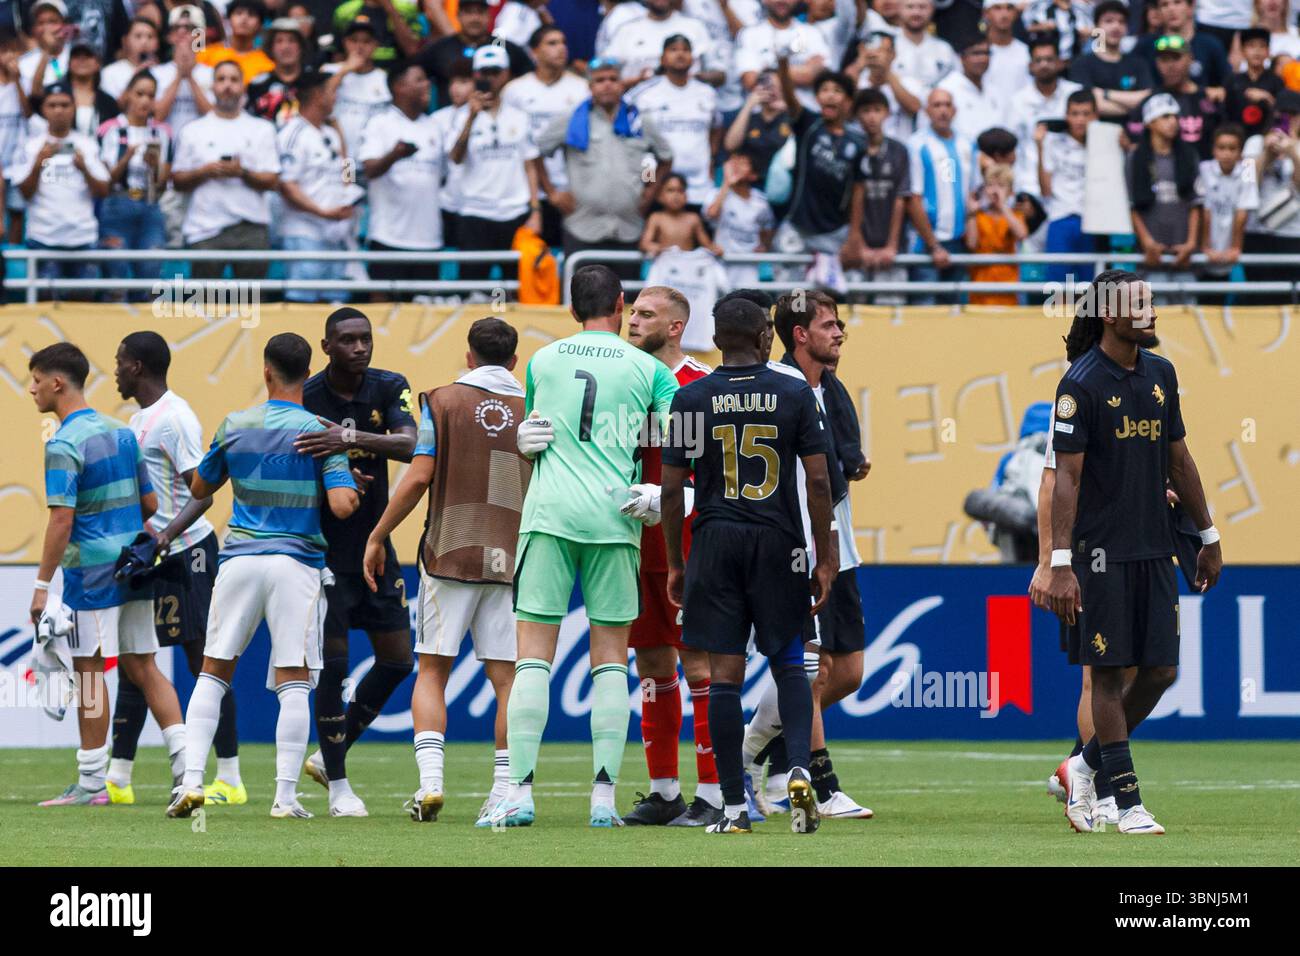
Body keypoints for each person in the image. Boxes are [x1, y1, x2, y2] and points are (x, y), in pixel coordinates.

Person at [490, 264, 680, 829]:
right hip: (614, 517)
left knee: (531, 660)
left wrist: (521, 444)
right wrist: (657, 492)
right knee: (608, 665)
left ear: (571, 309)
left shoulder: (543, 360)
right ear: (620, 305)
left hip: (547, 516)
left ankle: (520, 795)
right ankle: (602, 800)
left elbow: (532, 434)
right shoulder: (649, 369)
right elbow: (675, 449)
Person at [1044, 270, 1222, 835]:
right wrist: (1061, 562)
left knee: (1161, 672)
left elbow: (1179, 459)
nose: (1151, 311)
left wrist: (1208, 534)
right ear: (1109, 315)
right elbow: (1064, 480)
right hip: (1099, 556)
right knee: (1106, 672)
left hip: (1153, 547)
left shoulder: (1161, 374)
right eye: (1139, 304)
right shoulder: (1079, 384)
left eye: (1151, 301)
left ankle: (1083, 765)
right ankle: (1127, 801)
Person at [166, 333, 360, 820]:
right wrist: (347, 485)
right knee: (293, 678)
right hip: (296, 564)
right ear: (308, 370)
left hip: (240, 558)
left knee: (213, 670)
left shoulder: (236, 423)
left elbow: (200, 486)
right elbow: (341, 506)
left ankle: (191, 783)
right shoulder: (322, 430)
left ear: (266, 371)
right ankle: (285, 797)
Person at [661, 296, 835, 835]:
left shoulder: (690, 399)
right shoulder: (793, 392)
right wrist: (824, 558)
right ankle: (800, 770)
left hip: (714, 542)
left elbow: (671, 489)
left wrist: (675, 561)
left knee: (724, 679)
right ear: (765, 337)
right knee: (788, 663)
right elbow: (820, 481)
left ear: (716, 340)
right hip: (777, 542)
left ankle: (734, 809)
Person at [361, 317, 529, 825]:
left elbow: (419, 476)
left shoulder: (438, 399)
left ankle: (431, 784)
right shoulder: (532, 406)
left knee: (433, 669)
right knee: (506, 678)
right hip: (509, 556)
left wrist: (378, 534)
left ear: (469, 356)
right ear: (515, 361)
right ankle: (503, 790)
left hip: (448, 552)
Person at [28, 342, 187, 807]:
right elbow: (152, 504)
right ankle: (186, 770)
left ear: (58, 383)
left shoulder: (62, 443)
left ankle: (93, 782)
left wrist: (41, 586)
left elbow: (61, 519)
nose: (32, 389)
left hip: (92, 575)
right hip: (134, 565)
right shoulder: (122, 433)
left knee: (90, 671)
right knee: (143, 665)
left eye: (36, 379)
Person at [106, 332, 241, 806]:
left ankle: (229, 776)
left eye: (120, 362)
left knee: (202, 659)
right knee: (136, 657)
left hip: (189, 552)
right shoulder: (139, 419)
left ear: (138, 366)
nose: (115, 370)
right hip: (154, 553)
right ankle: (118, 777)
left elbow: (202, 490)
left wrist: (164, 536)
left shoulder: (174, 418)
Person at [296, 308, 417, 817]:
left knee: (397, 659)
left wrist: (347, 442)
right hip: (321, 551)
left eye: (365, 339)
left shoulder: (390, 387)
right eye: (347, 340)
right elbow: (293, 461)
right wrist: (335, 481)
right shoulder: (305, 396)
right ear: (327, 347)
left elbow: (410, 445)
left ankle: (332, 753)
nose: (360, 348)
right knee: (334, 667)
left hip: (375, 546)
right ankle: (340, 786)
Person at [614, 287, 717, 827]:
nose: (633, 321)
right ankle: (664, 791)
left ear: (675, 327)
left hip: (688, 546)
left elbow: (717, 472)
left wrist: (681, 497)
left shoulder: (698, 386)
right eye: (632, 312)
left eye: (646, 315)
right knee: (652, 661)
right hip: (632, 545)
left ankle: (716, 793)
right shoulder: (620, 380)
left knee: (699, 662)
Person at [535, 58, 673, 279]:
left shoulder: (639, 121)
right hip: (582, 226)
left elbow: (662, 158)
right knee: (583, 305)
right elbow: (534, 152)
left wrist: (650, 190)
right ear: (590, 87)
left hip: (628, 227)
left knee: (626, 305)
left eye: (613, 79)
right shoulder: (571, 119)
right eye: (600, 80)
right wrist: (552, 193)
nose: (607, 84)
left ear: (622, 84)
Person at [171, 60, 279, 281]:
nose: (227, 85)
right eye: (221, 79)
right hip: (205, 227)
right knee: (204, 306)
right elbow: (178, 181)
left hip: (251, 226)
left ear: (243, 87)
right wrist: (206, 171)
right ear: (212, 87)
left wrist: (242, 173)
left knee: (253, 306)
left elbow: (272, 180)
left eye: (234, 79)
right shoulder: (193, 130)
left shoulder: (262, 129)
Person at [448, 44, 541, 289]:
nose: (489, 77)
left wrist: (535, 210)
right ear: (475, 76)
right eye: (483, 72)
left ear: (506, 74)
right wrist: (470, 117)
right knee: (471, 289)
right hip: (475, 212)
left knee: (518, 288)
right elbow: (455, 157)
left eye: (495, 71)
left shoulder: (520, 116)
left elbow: (530, 166)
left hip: (513, 212)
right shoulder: (459, 116)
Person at [12, 82, 110, 298]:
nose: (59, 110)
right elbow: (24, 193)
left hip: (82, 237)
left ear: (73, 108)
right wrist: (38, 163)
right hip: (43, 238)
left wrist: (84, 168)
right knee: (46, 307)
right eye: (52, 105)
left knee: (85, 308)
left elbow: (103, 190)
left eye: (65, 105)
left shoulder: (87, 144)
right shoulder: (30, 146)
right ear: (43, 109)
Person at [359, 60, 444, 298]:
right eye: (419, 79)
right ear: (399, 87)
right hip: (388, 236)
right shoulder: (380, 123)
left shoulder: (434, 126)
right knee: (382, 311)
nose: (427, 84)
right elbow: (369, 169)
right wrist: (395, 155)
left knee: (424, 316)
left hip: (429, 239)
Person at [773, 57, 864, 269]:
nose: (830, 94)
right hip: (797, 227)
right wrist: (784, 67)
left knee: (826, 299)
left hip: (834, 231)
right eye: (824, 90)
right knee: (790, 296)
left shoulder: (858, 143)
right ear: (817, 98)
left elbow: (859, 191)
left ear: (849, 102)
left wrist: (854, 236)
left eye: (837, 91)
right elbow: (790, 98)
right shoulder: (809, 124)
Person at [502, 24, 588, 247]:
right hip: (527, 191)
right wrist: (548, 192)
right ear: (534, 52)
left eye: (563, 43)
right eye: (552, 43)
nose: (561, 49)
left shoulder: (582, 89)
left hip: (571, 190)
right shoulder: (514, 91)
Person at [276, 71, 355, 303]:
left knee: (335, 307)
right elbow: (286, 185)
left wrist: (348, 197)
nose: (336, 98)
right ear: (318, 95)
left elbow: (347, 169)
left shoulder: (331, 132)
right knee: (302, 303)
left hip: (336, 235)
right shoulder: (292, 133)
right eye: (332, 91)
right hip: (304, 235)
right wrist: (323, 213)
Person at [96, 69, 172, 298]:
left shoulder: (162, 132)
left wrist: (154, 165)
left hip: (150, 205)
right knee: (116, 274)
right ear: (127, 95)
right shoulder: (109, 129)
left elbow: (162, 184)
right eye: (139, 94)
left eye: (150, 95)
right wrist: (127, 157)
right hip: (117, 205)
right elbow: (106, 181)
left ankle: (146, 332)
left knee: (150, 274)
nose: (145, 100)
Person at [626, 34, 720, 210]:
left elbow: (716, 128)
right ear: (662, 58)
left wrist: (712, 160)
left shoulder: (708, 93)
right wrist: (647, 183)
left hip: (698, 187)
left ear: (693, 58)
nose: (680, 54)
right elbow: (638, 141)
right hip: (658, 187)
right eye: (674, 50)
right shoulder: (643, 94)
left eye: (686, 50)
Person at [906, 87, 979, 303]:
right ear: (927, 111)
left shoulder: (967, 144)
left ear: (955, 110)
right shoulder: (917, 145)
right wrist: (933, 245)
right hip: (926, 244)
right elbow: (913, 198)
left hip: (959, 242)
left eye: (947, 105)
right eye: (937, 105)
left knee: (957, 313)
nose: (943, 111)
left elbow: (971, 192)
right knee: (925, 312)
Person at [843, 87, 911, 303]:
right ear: (856, 115)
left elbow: (901, 199)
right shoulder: (850, 148)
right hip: (855, 248)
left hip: (891, 249)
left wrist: (891, 245)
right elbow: (848, 201)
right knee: (854, 311)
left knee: (892, 310)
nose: (872, 117)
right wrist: (859, 245)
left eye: (877, 110)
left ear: (887, 113)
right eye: (865, 111)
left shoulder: (899, 151)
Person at [1127, 92, 1202, 288]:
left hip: (1183, 252)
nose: (1173, 122)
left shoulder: (1188, 155)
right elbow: (1131, 206)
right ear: (1149, 123)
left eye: (1175, 117)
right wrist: (1147, 242)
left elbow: (1195, 204)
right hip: (1151, 254)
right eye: (1165, 117)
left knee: (1188, 309)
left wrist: (1191, 243)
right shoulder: (1135, 158)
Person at [415, 0, 531, 107]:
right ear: (458, 15)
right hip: (450, 120)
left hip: (498, 117)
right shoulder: (441, 47)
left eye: (480, 13)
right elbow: (416, 75)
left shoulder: (501, 44)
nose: (474, 18)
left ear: (489, 16)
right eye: (468, 12)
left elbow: (530, 75)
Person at [1010, 37, 1082, 199]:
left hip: (1073, 184)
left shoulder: (1075, 94)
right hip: (1030, 185)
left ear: (1060, 63)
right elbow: (1014, 148)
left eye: (1049, 59)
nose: (1044, 65)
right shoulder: (1018, 100)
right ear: (1030, 66)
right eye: (1038, 60)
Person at [1038, 89, 1098, 285]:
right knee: (1058, 289)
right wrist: (1039, 147)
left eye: (1086, 114)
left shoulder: (1104, 144)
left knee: (1090, 290)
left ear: (1095, 116)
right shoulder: (1052, 142)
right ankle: (1058, 318)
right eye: (1074, 113)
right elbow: (1045, 190)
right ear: (1066, 115)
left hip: (1092, 221)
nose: (1080, 120)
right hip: (1060, 218)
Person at [1241, 99, 1300, 287]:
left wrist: (1293, 154)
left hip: (1292, 233)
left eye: (1293, 115)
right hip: (1258, 231)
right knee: (1259, 294)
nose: (1287, 120)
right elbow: (1246, 181)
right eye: (1282, 115)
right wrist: (1266, 155)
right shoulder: (1254, 143)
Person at [1195, 123, 1257, 294]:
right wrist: (1206, 247)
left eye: (1232, 148)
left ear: (1240, 152)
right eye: (1221, 148)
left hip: (1230, 246)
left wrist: (1236, 247)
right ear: (1214, 150)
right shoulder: (1204, 168)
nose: (1227, 153)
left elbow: (1242, 211)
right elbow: (1204, 210)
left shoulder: (1247, 170)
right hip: (1207, 246)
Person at [1070, 1, 1155, 123]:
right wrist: (1133, 106)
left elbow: (1147, 98)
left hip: (1134, 133)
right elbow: (1088, 105)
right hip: (1095, 132)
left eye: (1121, 22)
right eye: (1108, 21)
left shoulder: (1138, 63)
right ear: (1096, 27)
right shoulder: (1082, 63)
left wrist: (1105, 94)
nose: (1116, 27)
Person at [735, 0, 830, 110]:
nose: (782, 1)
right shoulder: (749, 34)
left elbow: (817, 74)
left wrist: (768, 72)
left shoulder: (812, 32)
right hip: (763, 116)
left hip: (805, 116)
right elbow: (750, 80)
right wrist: (801, 71)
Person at [322, 14, 392, 158]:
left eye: (366, 41)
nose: (359, 46)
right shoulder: (329, 71)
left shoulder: (385, 79)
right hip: (343, 160)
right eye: (353, 40)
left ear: (375, 45)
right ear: (345, 42)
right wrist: (346, 70)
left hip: (374, 161)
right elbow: (319, 100)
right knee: (348, 179)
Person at [704, 149, 775, 287]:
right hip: (722, 262)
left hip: (748, 265)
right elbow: (711, 214)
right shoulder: (716, 194)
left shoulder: (761, 202)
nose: (736, 166)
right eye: (734, 161)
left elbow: (768, 227)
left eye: (744, 163)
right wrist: (726, 183)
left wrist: (764, 245)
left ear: (753, 175)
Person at [1144, 32, 1221, 160]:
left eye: (1176, 58)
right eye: (1164, 60)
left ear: (1190, 59)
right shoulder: (1152, 102)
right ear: (1157, 63)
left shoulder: (1210, 98)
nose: (1170, 66)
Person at [603, 0, 713, 86]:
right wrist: (638, 80)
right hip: (637, 105)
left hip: (689, 104)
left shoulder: (695, 27)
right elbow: (603, 72)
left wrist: (688, 77)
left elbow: (718, 74)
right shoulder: (626, 30)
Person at [843, 29, 923, 142]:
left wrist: (886, 71)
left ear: (893, 54)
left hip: (898, 152)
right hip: (861, 150)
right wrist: (858, 66)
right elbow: (846, 114)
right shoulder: (856, 81)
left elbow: (913, 108)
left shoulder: (908, 82)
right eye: (871, 50)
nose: (875, 55)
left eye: (881, 50)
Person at [964, 162, 1027, 304]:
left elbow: (1021, 234)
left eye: (1001, 186)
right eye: (990, 185)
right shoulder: (978, 216)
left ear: (1010, 191)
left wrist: (1003, 207)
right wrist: (971, 214)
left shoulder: (1015, 215)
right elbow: (971, 244)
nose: (994, 190)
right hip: (980, 289)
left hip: (1008, 288)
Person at [1132, 0, 1230, 91]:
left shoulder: (1211, 45)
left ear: (1191, 6)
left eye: (1177, 2)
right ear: (1159, 11)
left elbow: (1227, 85)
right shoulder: (1145, 46)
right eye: (1164, 4)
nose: (1171, 9)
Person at [721, 67, 792, 183]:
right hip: (750, 184)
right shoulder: (750, 118)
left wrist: (787, 107)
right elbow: (730, 145)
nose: (773, 92)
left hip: (780, 184)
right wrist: (749, 105)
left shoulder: (790, 119)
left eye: (777, 87)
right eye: (768, 87)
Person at [937, 33, 1006, 143]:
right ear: (962, 58)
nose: (982, 58)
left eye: (986, 53)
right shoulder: (946, 89)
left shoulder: (995, 90)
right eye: (976, 53)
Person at [1223, 26, 1284, 140]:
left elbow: (1283, 115)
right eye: (1251, 46)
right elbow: (1225, 113)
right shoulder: (1232, 80)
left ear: (1268, 52)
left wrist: (1267, 98)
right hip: (1237, 139)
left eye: (1262, 46)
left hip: (1268, 137)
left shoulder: (1276, 81)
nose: (1257, 51)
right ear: (1242, 51)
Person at [640, 173, 723, 256]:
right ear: (660, 196)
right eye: (670, 190)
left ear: (686, 196)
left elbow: (707, 245)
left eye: (680, 190)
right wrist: (656, 248)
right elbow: (644, 244)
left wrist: (715, 249)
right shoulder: (656, 218)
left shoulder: (693, 219)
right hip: (664, 265)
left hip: (687, 266)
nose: (676, 195)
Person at [246, 16, 307, 128]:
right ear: (271, 47)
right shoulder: (256, 85)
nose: (285, 47)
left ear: (300, 47)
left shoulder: (315, 83)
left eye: (292, 40)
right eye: (279, 41)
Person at [196, 0, 274, 83]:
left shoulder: (266, 65)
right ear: (229, 20)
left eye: (251, 14)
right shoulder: (206, 55)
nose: (244, 18)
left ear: (260, 25)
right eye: (238, 13)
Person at [892, 0, 958, 99]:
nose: (916, 13)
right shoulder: (888, 46)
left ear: (932, 9)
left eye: (922, 7)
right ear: (899, 9)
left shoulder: (944, 49)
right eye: (910, 7)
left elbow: (957, 84)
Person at [331, 0, 425, 65]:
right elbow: (338, 55)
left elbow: (412, 50)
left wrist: (391, 9)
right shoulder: (345, 12)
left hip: (396, 77)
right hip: (357, 77)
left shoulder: (406, 9)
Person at [100, 17, 160, 103]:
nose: (144, 41)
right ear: (125, 41)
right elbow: (113, 109)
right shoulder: (110, 73)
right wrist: (137, 75)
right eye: (138, 36)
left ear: (157, 43)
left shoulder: (165, 71)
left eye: (150, 37)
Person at [983, 0, 1030, 100]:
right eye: (997, 8)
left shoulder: (1026, 52)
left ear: (1016, 13)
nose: (1004, 14)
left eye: (1009, 8)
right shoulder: (977, 54)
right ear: (985, 13)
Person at [1021, 0, 1094, 62]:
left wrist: (1084, 32)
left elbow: (1094, 29)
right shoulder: (1040, 7)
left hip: (1072, 57)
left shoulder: (1079, 9)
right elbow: (1026, 28)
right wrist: (1042, 27)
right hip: (1047, 57)